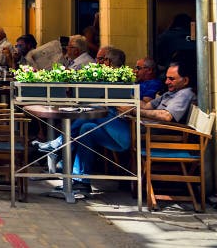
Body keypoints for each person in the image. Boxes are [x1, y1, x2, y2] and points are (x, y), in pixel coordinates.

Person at [71, 61, 197, 194]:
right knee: (87, 128)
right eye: (166, 78)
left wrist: (132, 111)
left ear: (186, 80)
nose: (166, 82)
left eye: (171, 79)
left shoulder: (185, 94)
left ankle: (59, 145)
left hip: (145, 137)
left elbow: (166, 116)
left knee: (96, 110)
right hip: (136, 131)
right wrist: (122, 96)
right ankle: (81, 182)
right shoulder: (170, 94)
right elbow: (146, 106)